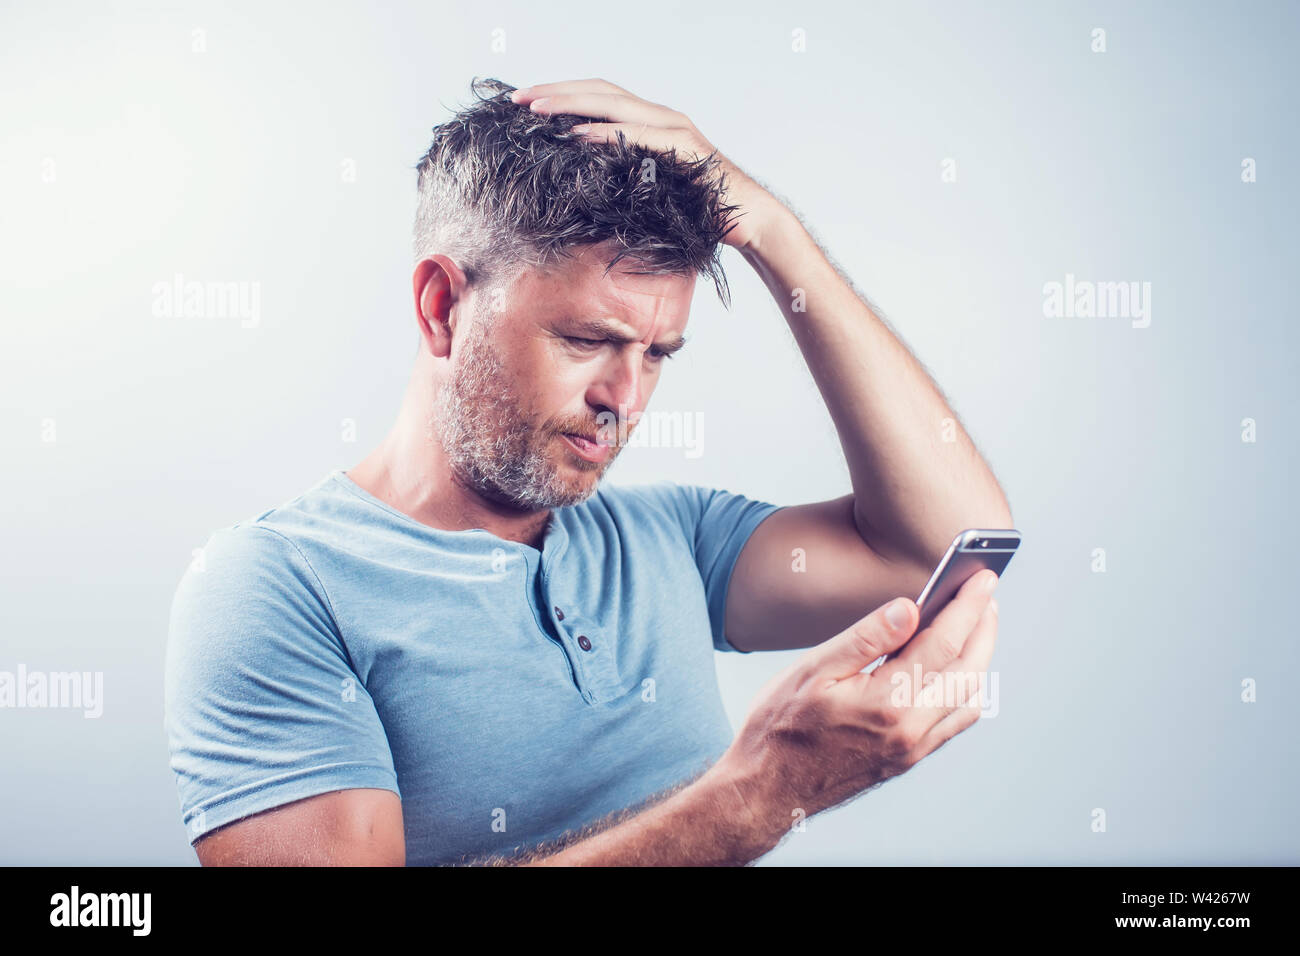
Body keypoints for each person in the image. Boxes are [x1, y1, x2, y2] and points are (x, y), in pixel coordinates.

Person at [164, 77, 1013, 866]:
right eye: (587, 340)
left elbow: (948, 546)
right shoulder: (276, 587)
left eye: (657, 355)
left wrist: (776, 236)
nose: (625, 397)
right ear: (442, 306)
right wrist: (759, 795)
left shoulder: (671, 539)